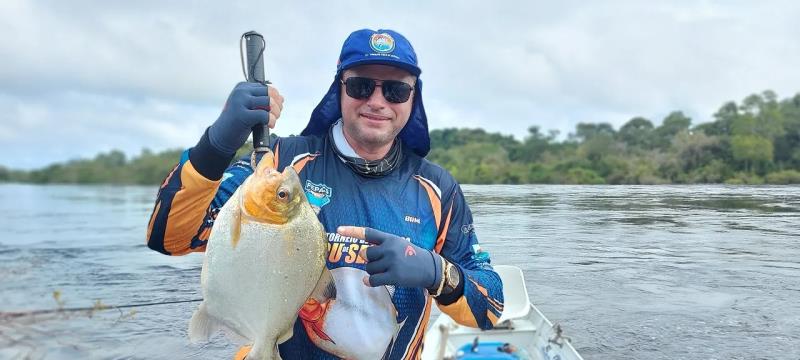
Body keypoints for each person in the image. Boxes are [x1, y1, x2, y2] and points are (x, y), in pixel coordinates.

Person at [146, 28, 503, 359]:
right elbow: (171, 237)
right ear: (340, 90)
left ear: (413, 98)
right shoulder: (281, 164)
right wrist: (218, 143)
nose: (377, 101)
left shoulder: (438, 189)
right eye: (361, 86)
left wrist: (436, 271)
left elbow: (492, 307)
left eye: (396, 90)